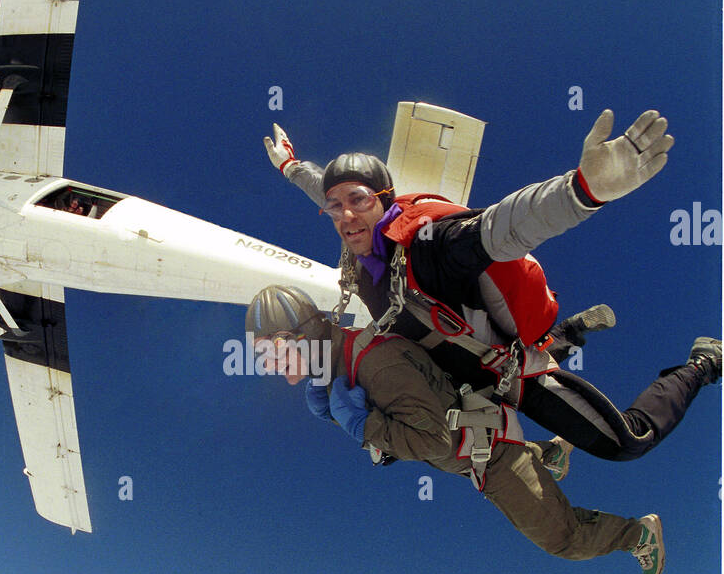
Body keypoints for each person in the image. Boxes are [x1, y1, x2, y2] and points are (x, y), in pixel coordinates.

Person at [264, 114, 721, 473]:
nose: (346, 215)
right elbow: (324, 190)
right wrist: (292, 167)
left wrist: (582, 191)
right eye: (335, 207)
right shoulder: (361, 258)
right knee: (423, 428)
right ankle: (569, 335)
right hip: (460, 380)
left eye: (359, 199)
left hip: (513, 377)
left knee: (626, 444)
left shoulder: (431, 247)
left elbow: (504, 226)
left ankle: (702, 363)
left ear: (384, 198)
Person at [246, 285, 666, 574]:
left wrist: (364, 427)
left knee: (561, 539)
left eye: (271, 351)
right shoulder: (348, 363)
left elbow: (436, 441)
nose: (267, 366)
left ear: (303, 335)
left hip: (493, 454)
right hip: (476, 443)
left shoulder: (374, 365)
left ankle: (637, 534)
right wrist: (350, 419)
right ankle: (549, 453)